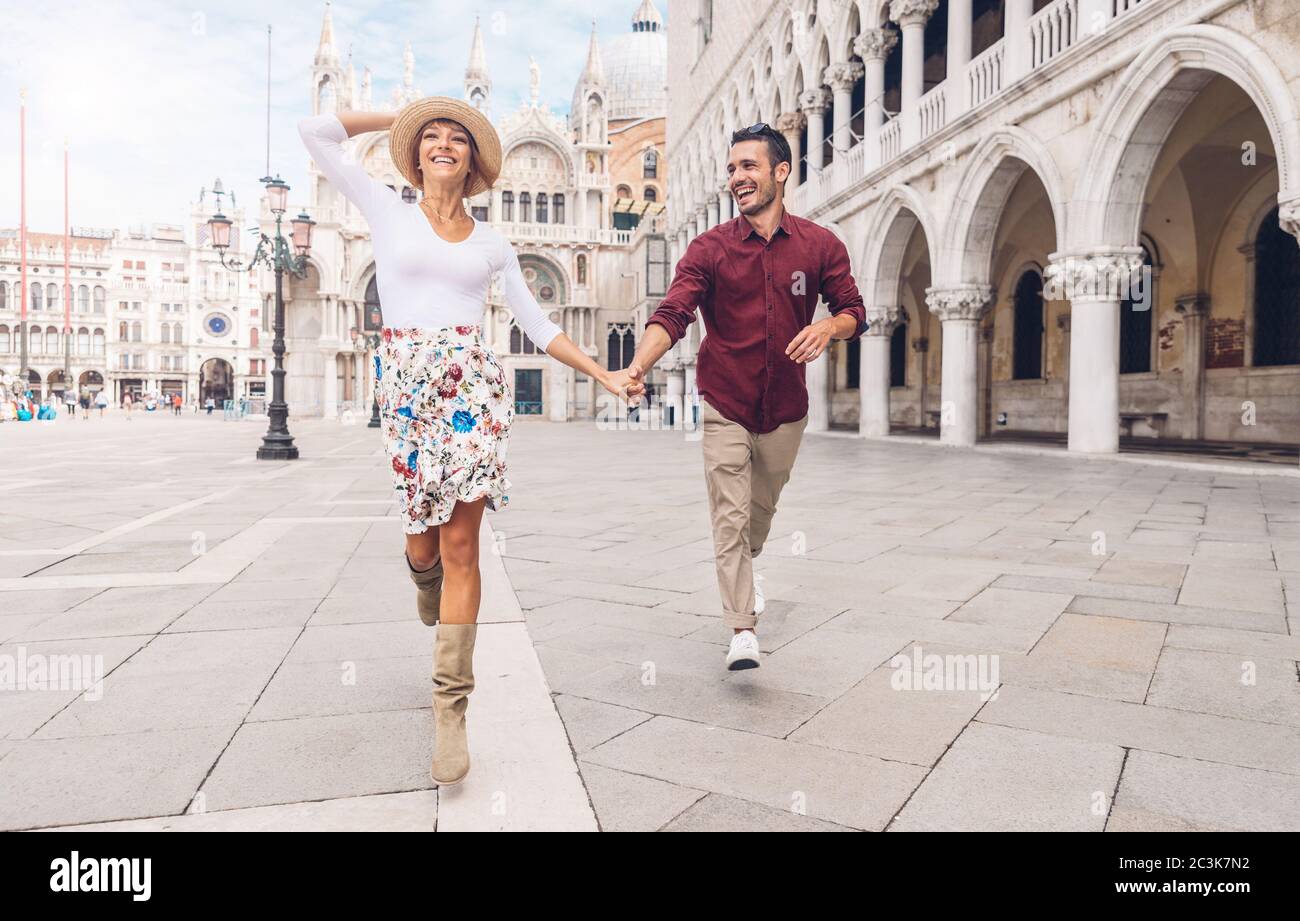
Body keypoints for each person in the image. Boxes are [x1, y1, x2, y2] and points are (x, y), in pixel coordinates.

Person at [299, 98, 634, 786]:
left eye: (456, 138)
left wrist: (601, 369)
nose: (443, 144)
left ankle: (450, 709)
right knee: (423, 544)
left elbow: (538, 326)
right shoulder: (384, 210)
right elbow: (316, 133)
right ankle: (423, 576)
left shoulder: (493, 244)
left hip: (471, 391)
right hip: (408, 393)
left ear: (474, 162)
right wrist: (402, 113)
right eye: (431, 137)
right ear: (417, 154)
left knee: (462, 546)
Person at [625, 122, 866, 671]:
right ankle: (741, 628)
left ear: (781, 172)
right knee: (729, 519)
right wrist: (639, 364)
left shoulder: (820, 245)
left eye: (749, 166)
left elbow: (855, 310)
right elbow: (674, 312)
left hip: (785, 411)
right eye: (732, 169)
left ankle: (746, 569)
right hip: (725, 401)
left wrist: (829, 328)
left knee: (758, 516)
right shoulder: (709, 249)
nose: (737, 178)